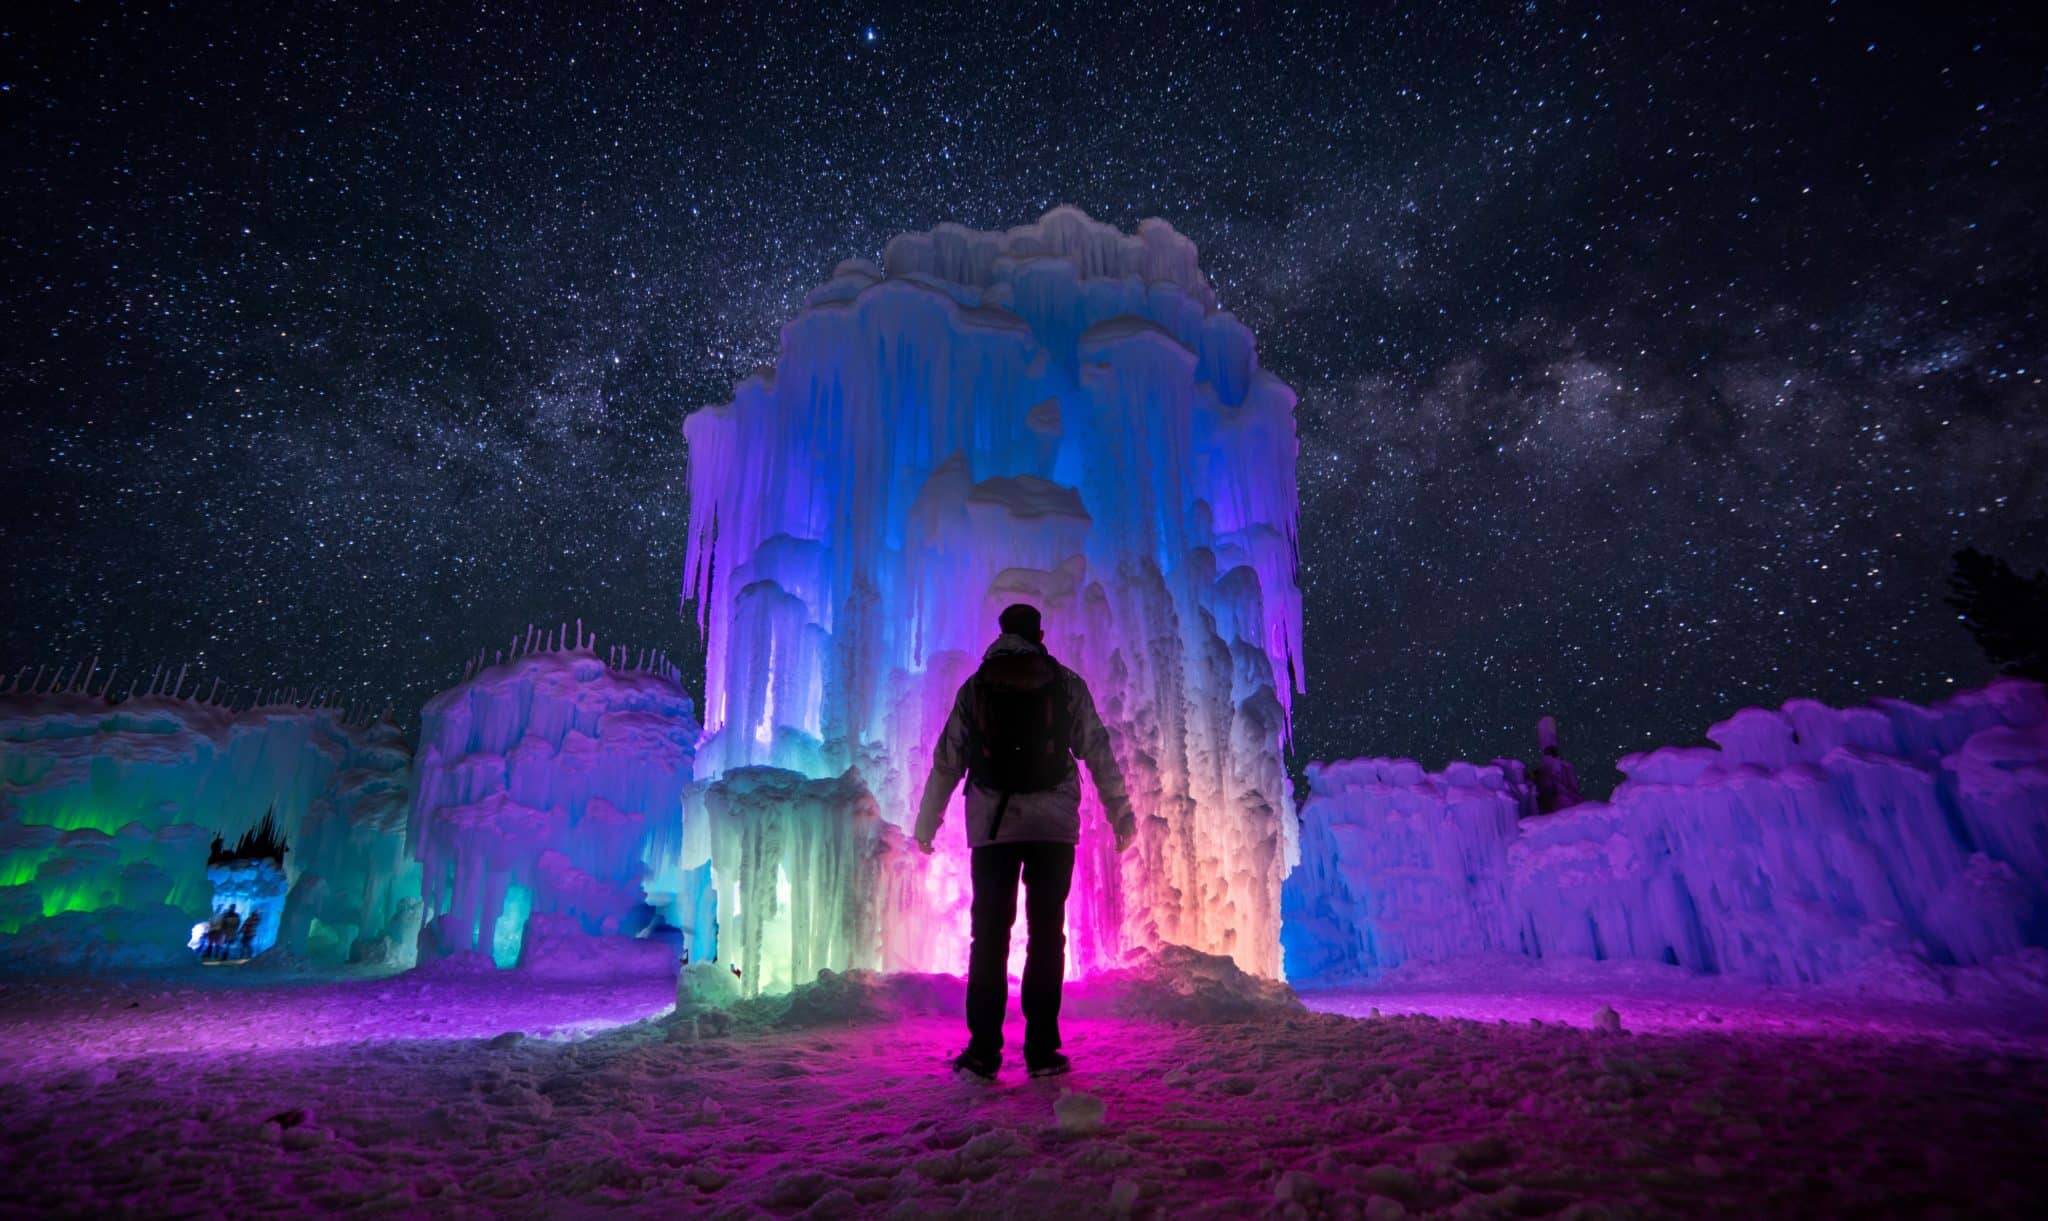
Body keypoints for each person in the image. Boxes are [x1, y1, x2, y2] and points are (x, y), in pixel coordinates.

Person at [914, 603, 1137, 1080]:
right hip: (1052, 827)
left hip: (994, 827)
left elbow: (947, 759)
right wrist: (1121, 812)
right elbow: (1097, 750)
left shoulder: (976, 688)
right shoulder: (1066, 684)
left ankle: (983, 1051)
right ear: (1039, 633)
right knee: (1046, 936)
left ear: (1001, 634)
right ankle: (1041, 1051)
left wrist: (927, 820)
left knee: (989, 937)